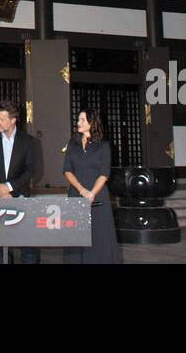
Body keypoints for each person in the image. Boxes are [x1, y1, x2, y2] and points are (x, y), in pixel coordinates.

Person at [0, 98, 40, 264]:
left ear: (13, 120)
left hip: (19, 196)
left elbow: (30, 170)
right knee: (0, 247)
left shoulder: (28, 141)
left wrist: (10, 187)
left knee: (27, 245)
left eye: (2, 119)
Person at [62, 108, 120, 264]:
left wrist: (91, 193)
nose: (78, 122)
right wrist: (81, 190)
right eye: (79, 119)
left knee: (99, 235)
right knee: (75, 235)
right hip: (76, 193)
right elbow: (67, 169)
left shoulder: (103, 145)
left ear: (92, 123)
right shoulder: (72, 143)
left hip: (98, 195)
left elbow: (104, 173)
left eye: (83, 120)